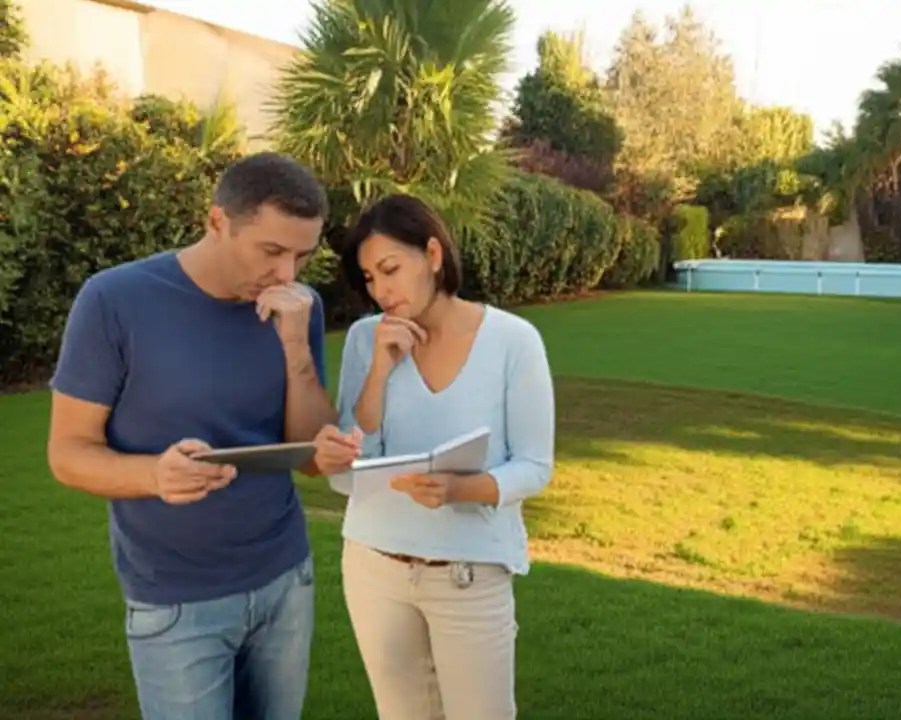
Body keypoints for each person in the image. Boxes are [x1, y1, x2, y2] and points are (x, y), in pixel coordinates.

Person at [46, 152, 336, 720]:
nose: (288, 275)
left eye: (302, 255)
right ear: (216, 222)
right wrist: (154, 474)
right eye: (272, 251)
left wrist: (297, 348)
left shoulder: (300, 308)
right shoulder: (113, 301)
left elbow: (311, 459)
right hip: (175, 599)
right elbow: (67, 452)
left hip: (285, 580)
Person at [312, 193, 555, 720]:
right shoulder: (364, 338)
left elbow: (534, 465)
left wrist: (459, 489)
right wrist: (379, 368)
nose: (381, 290)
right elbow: (356, 455)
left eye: (390, 269)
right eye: (370, 278)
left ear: (434, 254)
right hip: (373, 565)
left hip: (469, 570)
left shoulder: (514, 341)